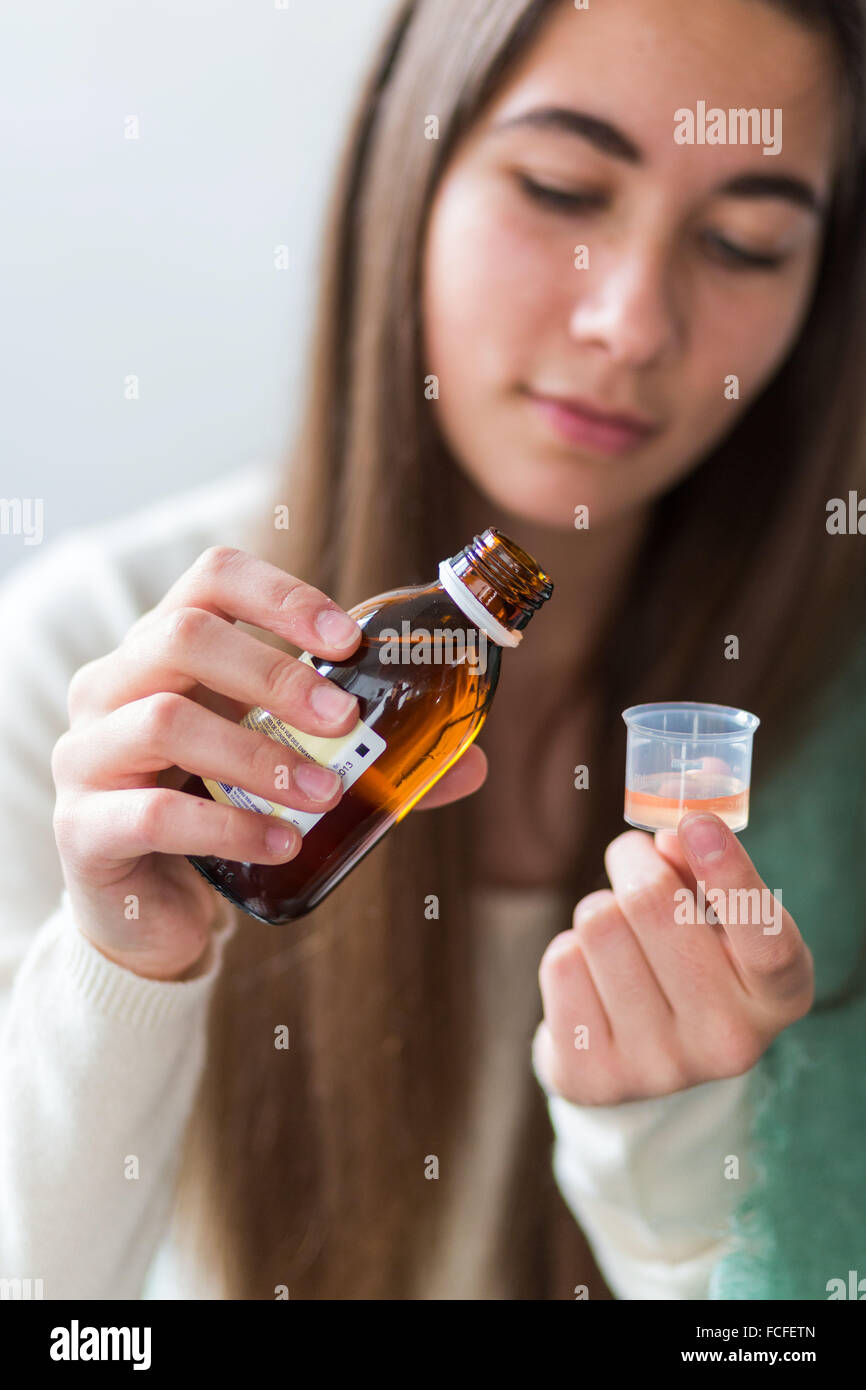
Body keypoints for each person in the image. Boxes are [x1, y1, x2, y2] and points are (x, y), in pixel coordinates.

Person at [1, 0, 865, 1301]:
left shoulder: (828, 727)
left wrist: (662, 1149)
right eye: (561, 188)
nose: (629, 321)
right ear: (403, 177)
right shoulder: (100, 655)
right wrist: (123, 964)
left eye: (744, 242)